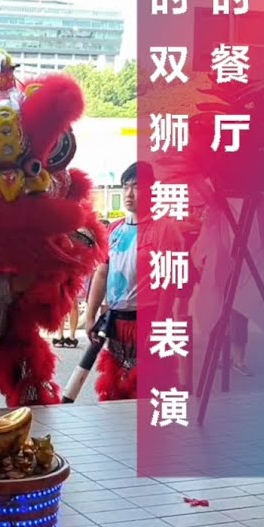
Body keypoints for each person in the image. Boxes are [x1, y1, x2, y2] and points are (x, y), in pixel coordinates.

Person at [86, 162, 184, 400]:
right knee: (118, 388)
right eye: (126, 186)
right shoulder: (115, 229)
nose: (129, 193)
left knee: (150, 388)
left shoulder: (165, 228)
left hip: (148, 317)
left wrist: (160, 324)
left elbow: (168, 283)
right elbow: (101, 273)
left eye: (137, 187)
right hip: (117, 321)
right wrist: (90, 317)